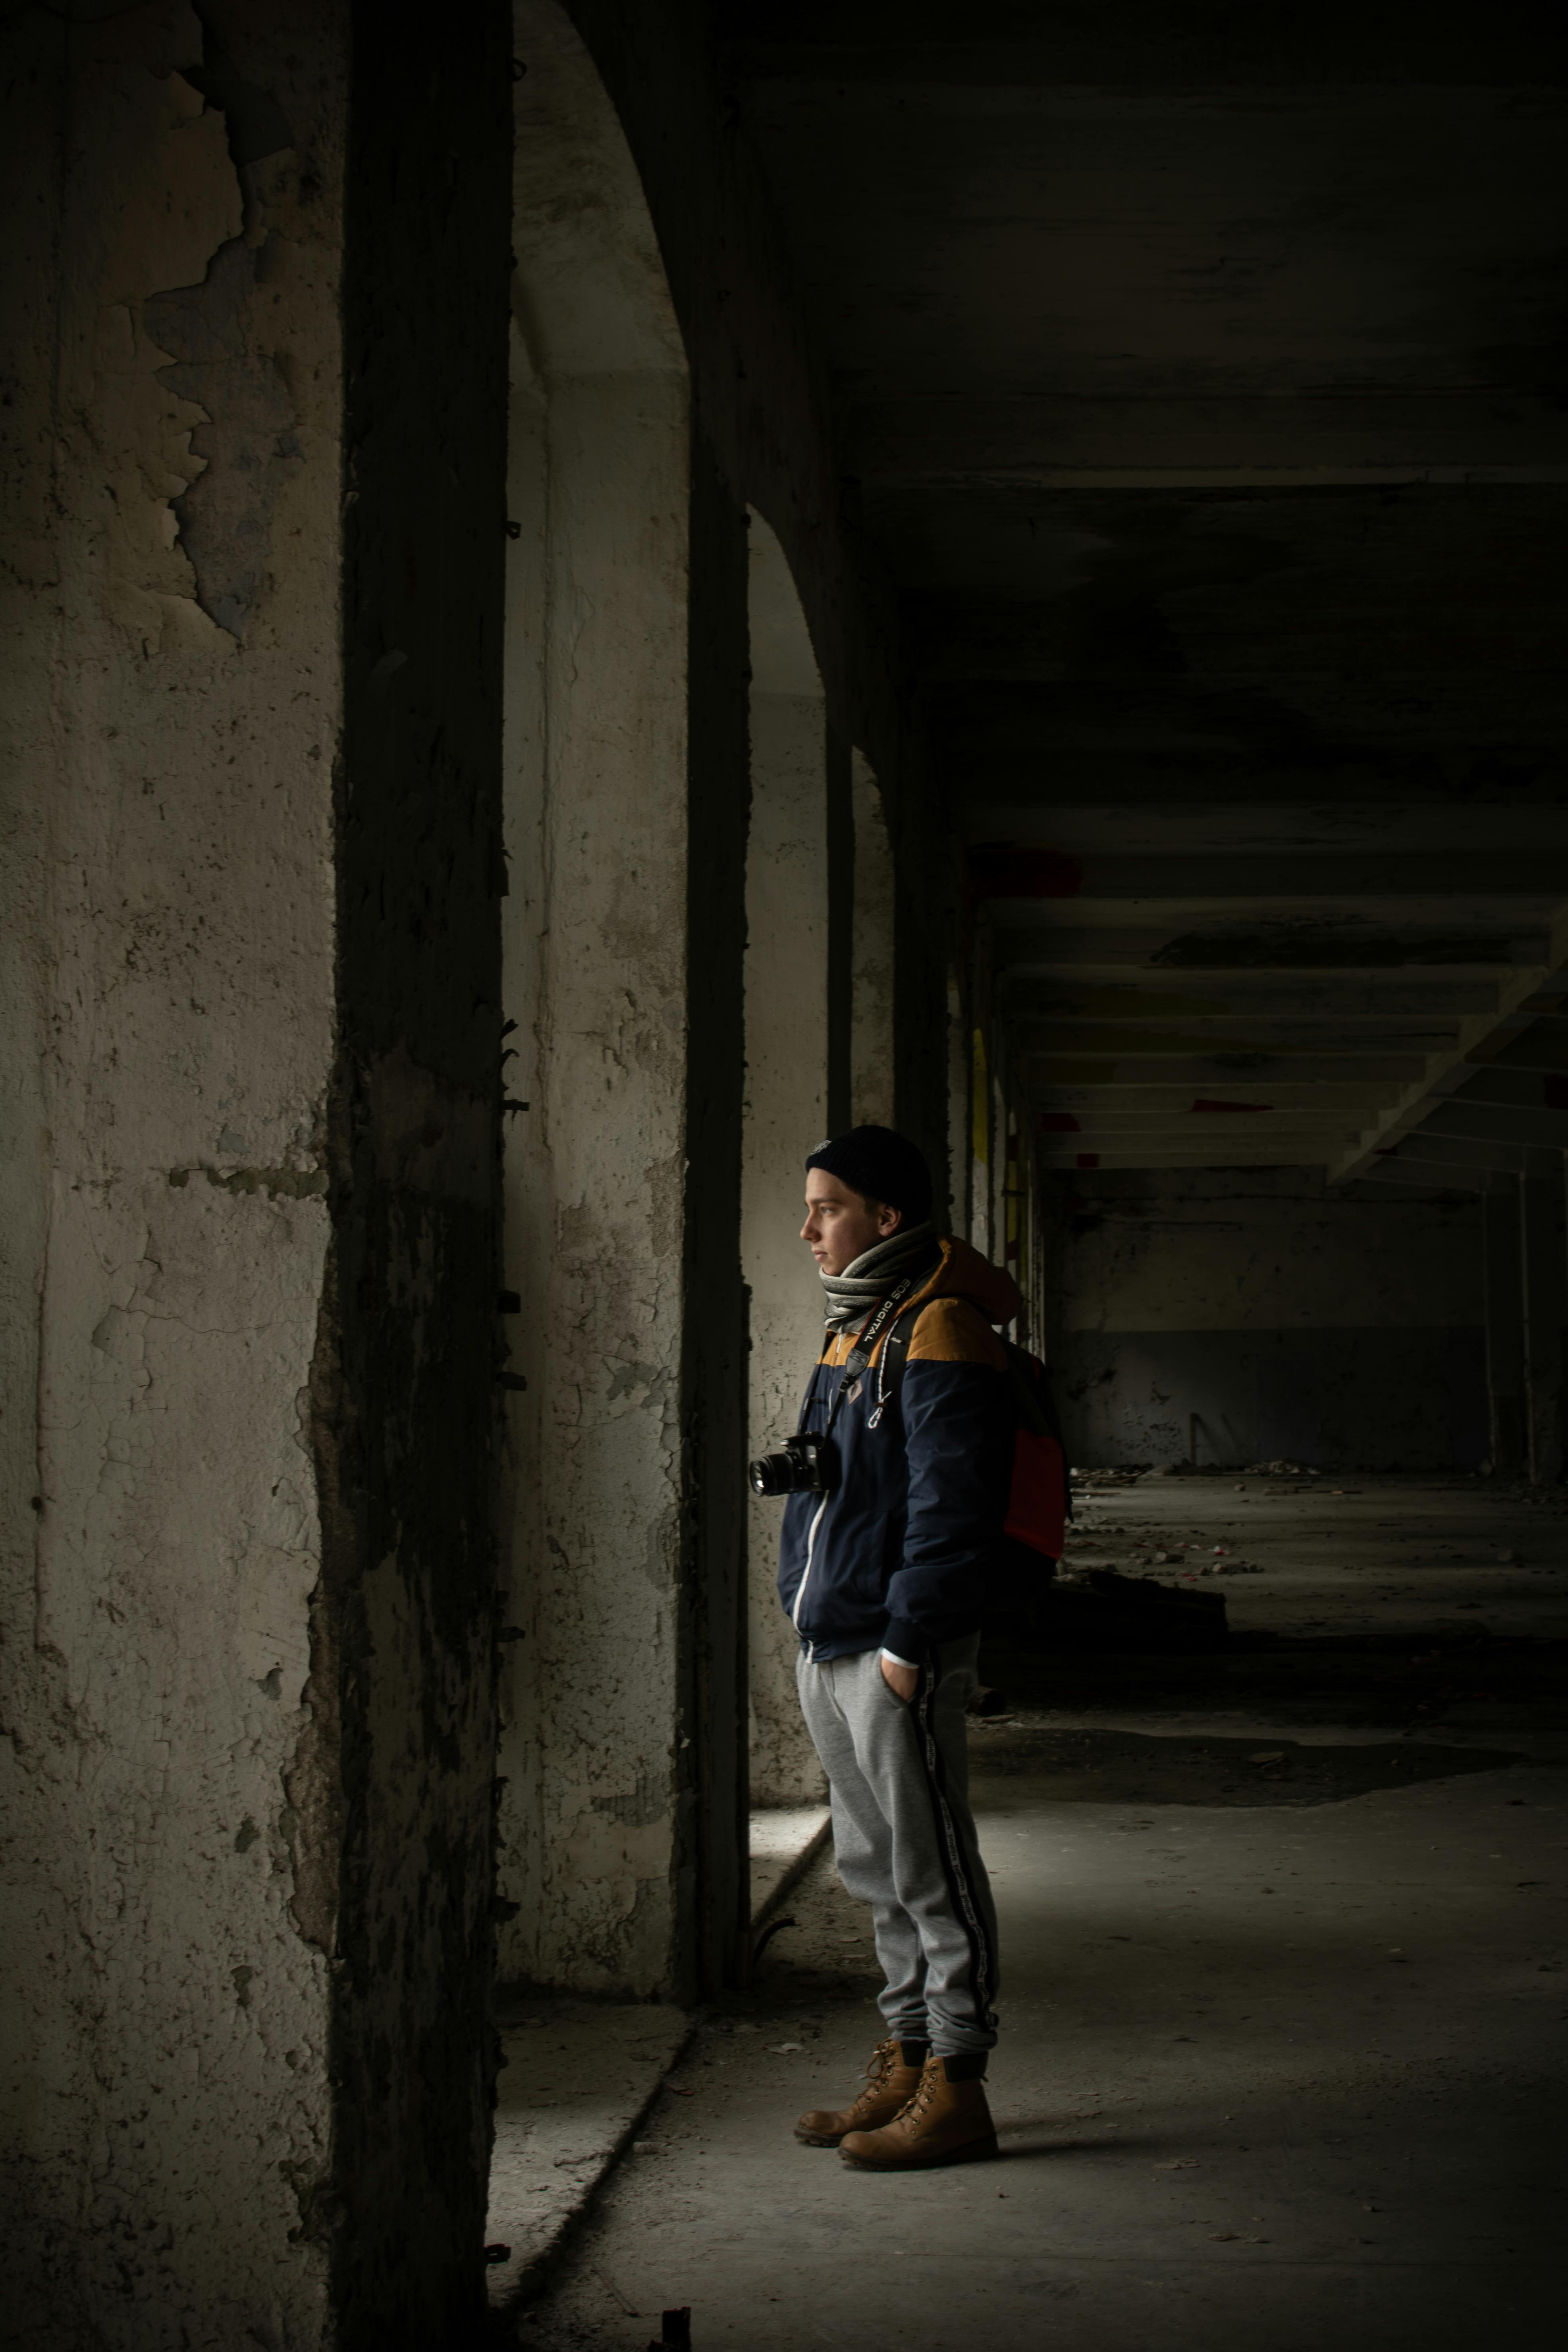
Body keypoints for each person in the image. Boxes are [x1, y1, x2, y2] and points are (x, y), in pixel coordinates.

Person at [774, 1123, 1020, 2171]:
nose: (808, 1228)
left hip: (893, 1648)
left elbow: (951, 1509)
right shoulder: (853, 1331)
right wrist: (801, 1600)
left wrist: (911, 1645)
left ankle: (957, 2085)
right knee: (874, 1867)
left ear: (885, 1214)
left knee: (932, 1868)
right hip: (831, 1639)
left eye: (826, 1206)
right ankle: (906, 2054)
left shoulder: (941, 1327)